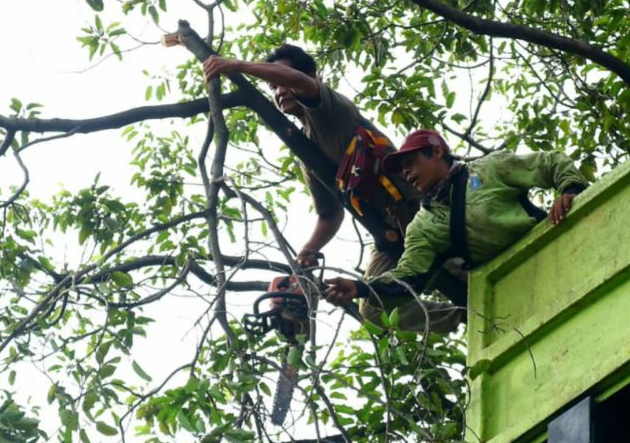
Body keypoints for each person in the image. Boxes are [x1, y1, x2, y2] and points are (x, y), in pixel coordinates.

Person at [202, 47, 461, 331]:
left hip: (417, 210)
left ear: (310, 76)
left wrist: (237, 66)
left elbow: (299, 83)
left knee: (461, 268)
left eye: (283, 81)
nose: (279, 92)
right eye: (273, 88)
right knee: (373, 310)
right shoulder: (306, 148)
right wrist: (309, 250)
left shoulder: (329, 107)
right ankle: (460, 314)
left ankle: (481, 295)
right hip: (388, 232)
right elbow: (330, 214)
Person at [322, 129, 588, 320]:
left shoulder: (489, 169)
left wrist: (570, 190)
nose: (405, 173)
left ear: (436, 151)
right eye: (400, 169)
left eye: (410, 163)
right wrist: (361, 288)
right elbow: (408, 277)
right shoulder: (423, 225)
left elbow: (548, 163)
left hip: (558, 251)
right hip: (515, 289)